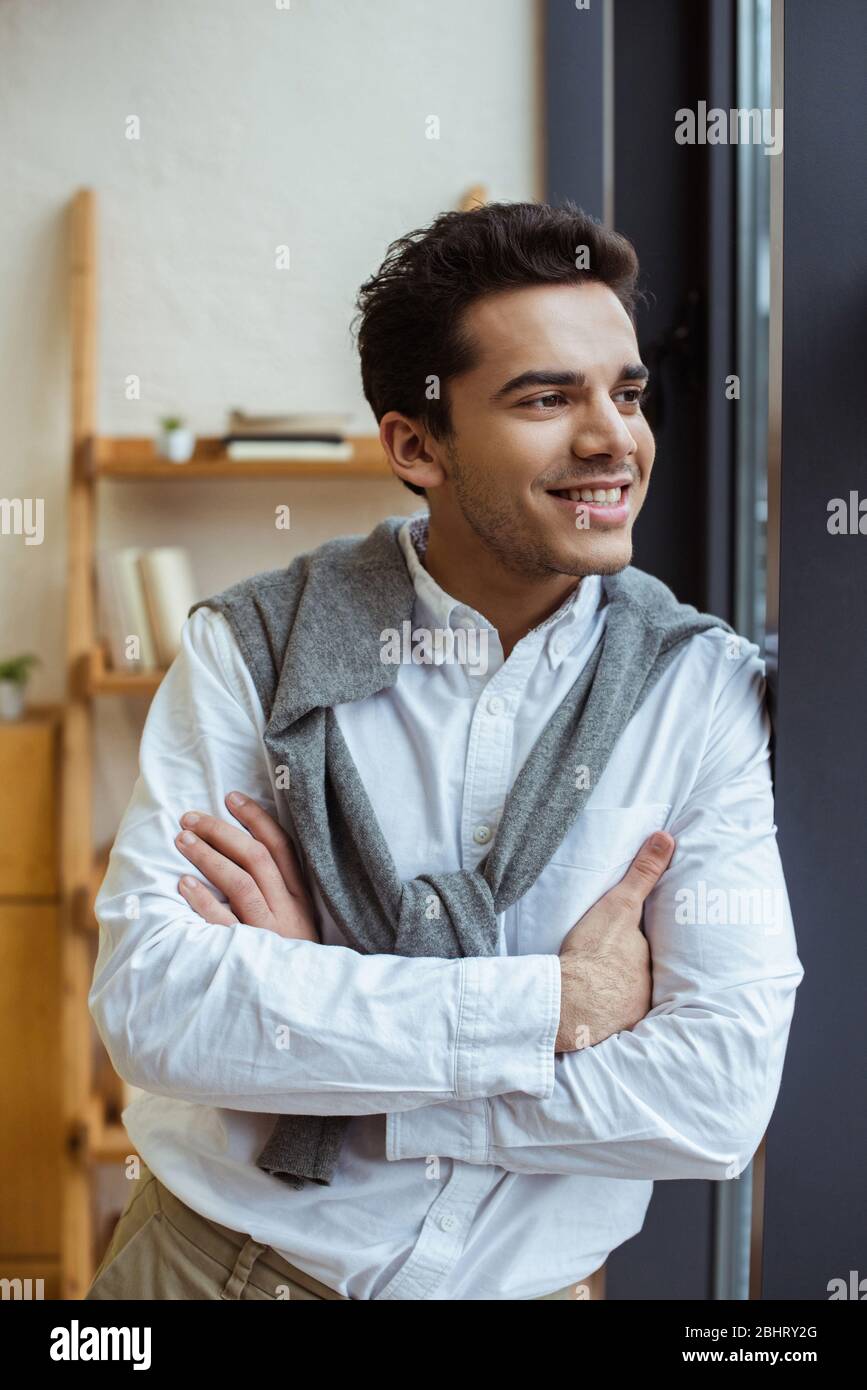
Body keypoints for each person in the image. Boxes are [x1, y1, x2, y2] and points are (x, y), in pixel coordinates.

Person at [85, 201, 803, 1301]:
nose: (613, 437)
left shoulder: (699, 689)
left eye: (626, 390)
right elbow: (160, 1008)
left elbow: (716, 1099)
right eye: (547, 398)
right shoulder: (249, 650)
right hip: (210, 1274)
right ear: (416, 444)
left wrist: (322, 1020)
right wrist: (552, 1012)